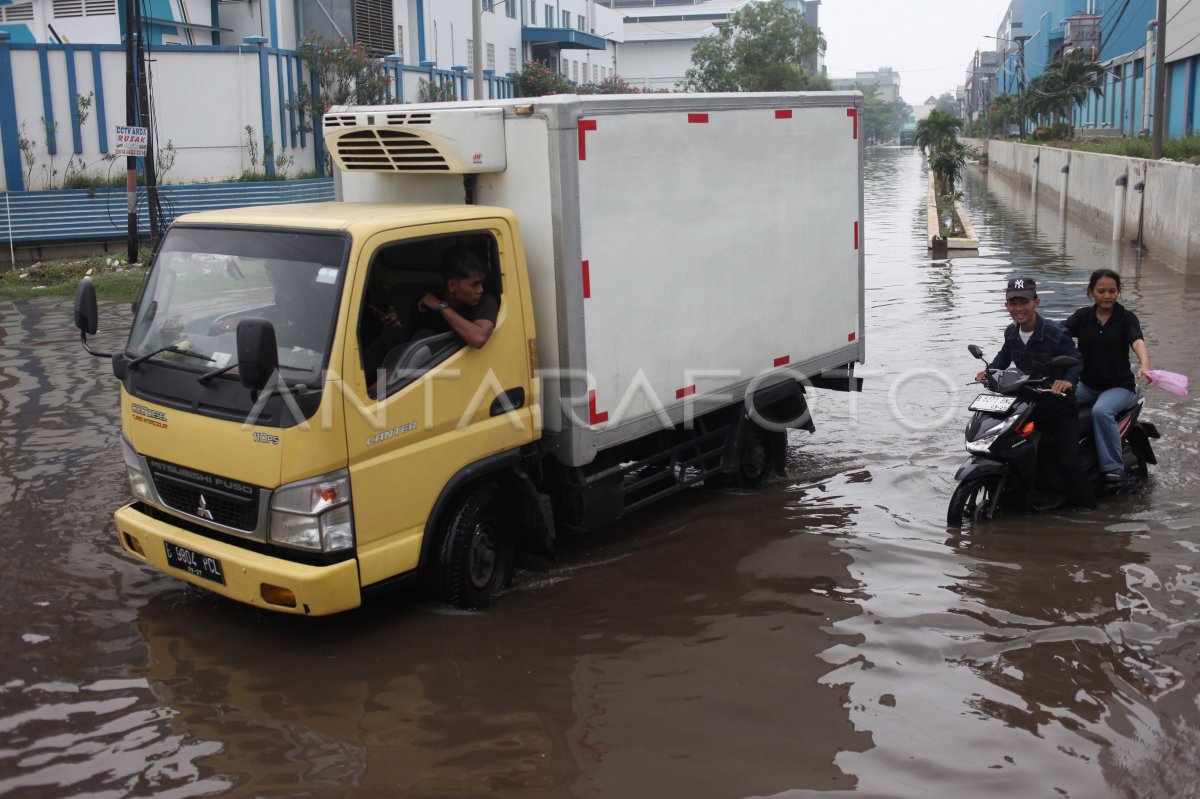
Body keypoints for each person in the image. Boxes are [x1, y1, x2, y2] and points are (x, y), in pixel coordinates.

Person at [975, 277, 1096, 510]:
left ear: (1036, 302)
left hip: (1058, 406)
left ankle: (1089, 511)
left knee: (1069, 460)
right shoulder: (1011, 332)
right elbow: (1003, 358)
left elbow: (1076, 361)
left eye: (1024, 302)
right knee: (1007, 446)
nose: (1018, 308)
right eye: (1013, 303)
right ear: (1006, 305)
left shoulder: (1054, 332)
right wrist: (988, 371)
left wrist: (1066, 381)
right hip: (1028, 403)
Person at [1063, 268, 1152, 483]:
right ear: (1091, 292)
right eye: (1101, 291)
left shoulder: (1126, 318)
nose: (1107, 296)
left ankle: (1113, 467)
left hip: (1119, 387)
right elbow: (1059, 334)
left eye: (1112, 291)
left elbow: (1136, 340)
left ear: (1118, 292)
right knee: (1054, 402)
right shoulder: (1082, 316)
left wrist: (1145, 364)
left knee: (1101, 412)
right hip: (1087, 385)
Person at [362, 247, 498, 380]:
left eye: (481, 284)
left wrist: (442, 307)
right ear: (451, 285)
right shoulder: (425, 305)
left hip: (461, 373)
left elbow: (478, 338)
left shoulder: (485, 301)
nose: (480, 290)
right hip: (425, 372)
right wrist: (395, 321)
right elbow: (407, 341)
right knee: (391, 337)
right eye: (474, 285)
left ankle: (383, 386)